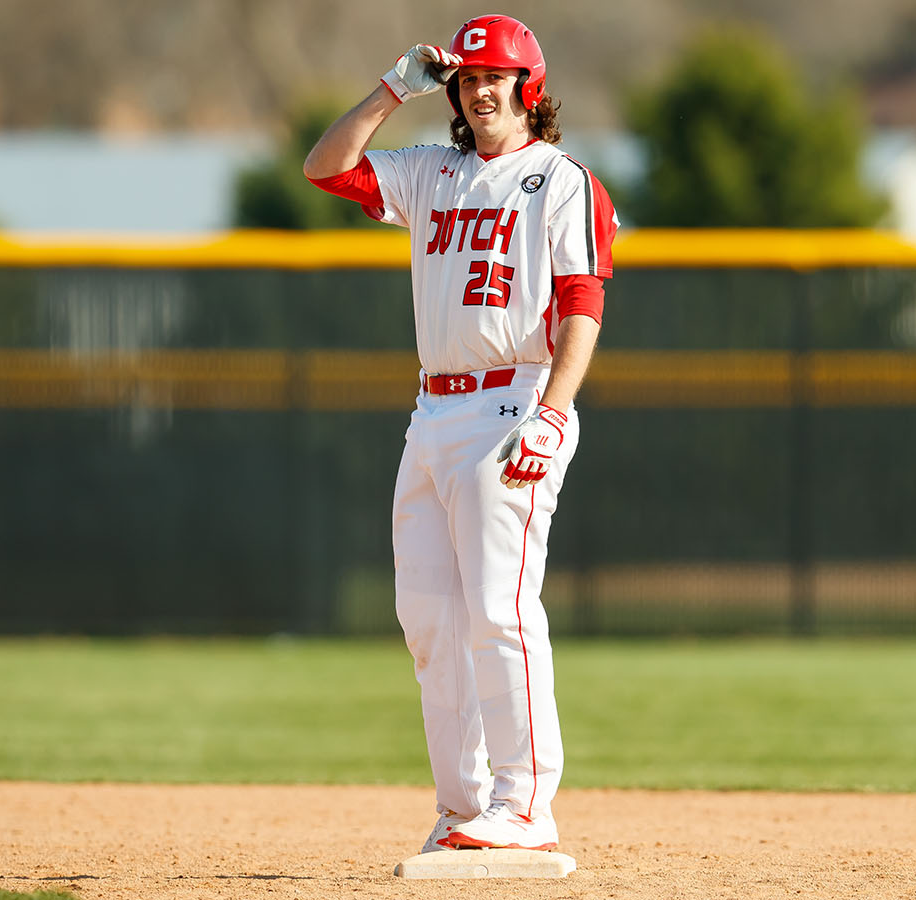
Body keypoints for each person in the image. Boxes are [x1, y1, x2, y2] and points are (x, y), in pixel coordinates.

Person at [303, 14, 617, 854]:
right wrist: (391, 87)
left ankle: (525, 806)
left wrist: (555, 410)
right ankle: (463, 807)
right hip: (434, 410)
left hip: (514, 398)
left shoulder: (559, 179)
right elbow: (324, 167)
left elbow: (583, 304)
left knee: (499, 609)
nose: (481, 89)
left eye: (497, 77)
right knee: (429, 618)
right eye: (468, 78)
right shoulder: (430, 171)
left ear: (529, 88)